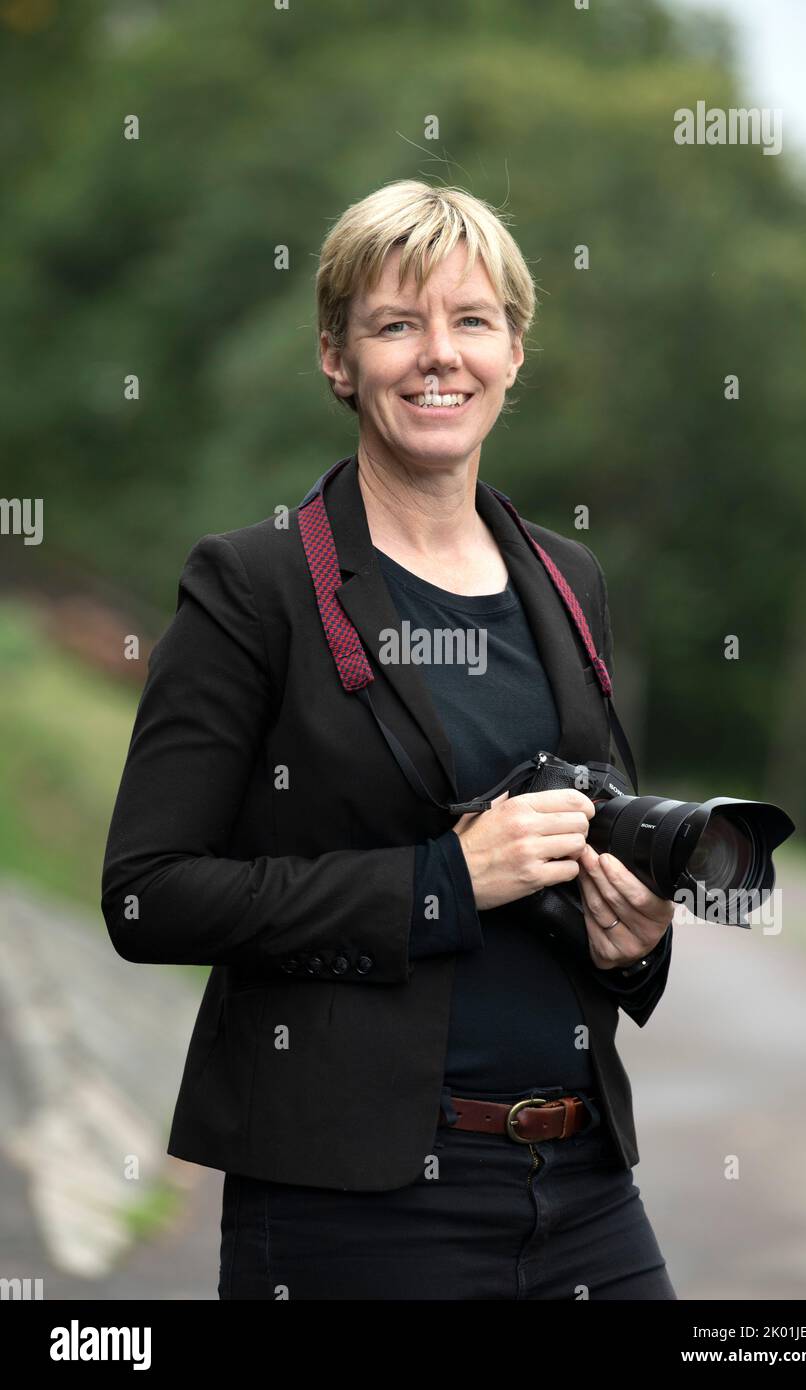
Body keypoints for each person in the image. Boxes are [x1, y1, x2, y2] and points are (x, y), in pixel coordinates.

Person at [101, 179, 677, 1300]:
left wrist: (634, 936)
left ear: (513, 351)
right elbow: (147, 895)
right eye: (395, 324)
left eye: (470, 321)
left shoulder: (568, 580)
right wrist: (441, 882)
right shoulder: (254, 584)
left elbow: (591, 849)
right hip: (352, 1211)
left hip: (580, 1183)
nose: (437, 356)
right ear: (336, 357)